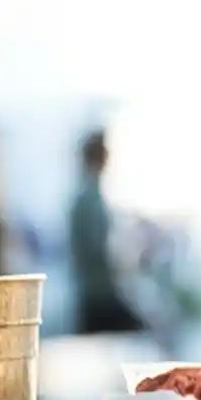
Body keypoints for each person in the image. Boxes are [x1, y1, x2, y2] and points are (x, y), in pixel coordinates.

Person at [69, 131, 142, 334]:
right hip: (100, 295)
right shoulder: (89, 199)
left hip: (96, 293)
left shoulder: (89, 196)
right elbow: (97, 250)